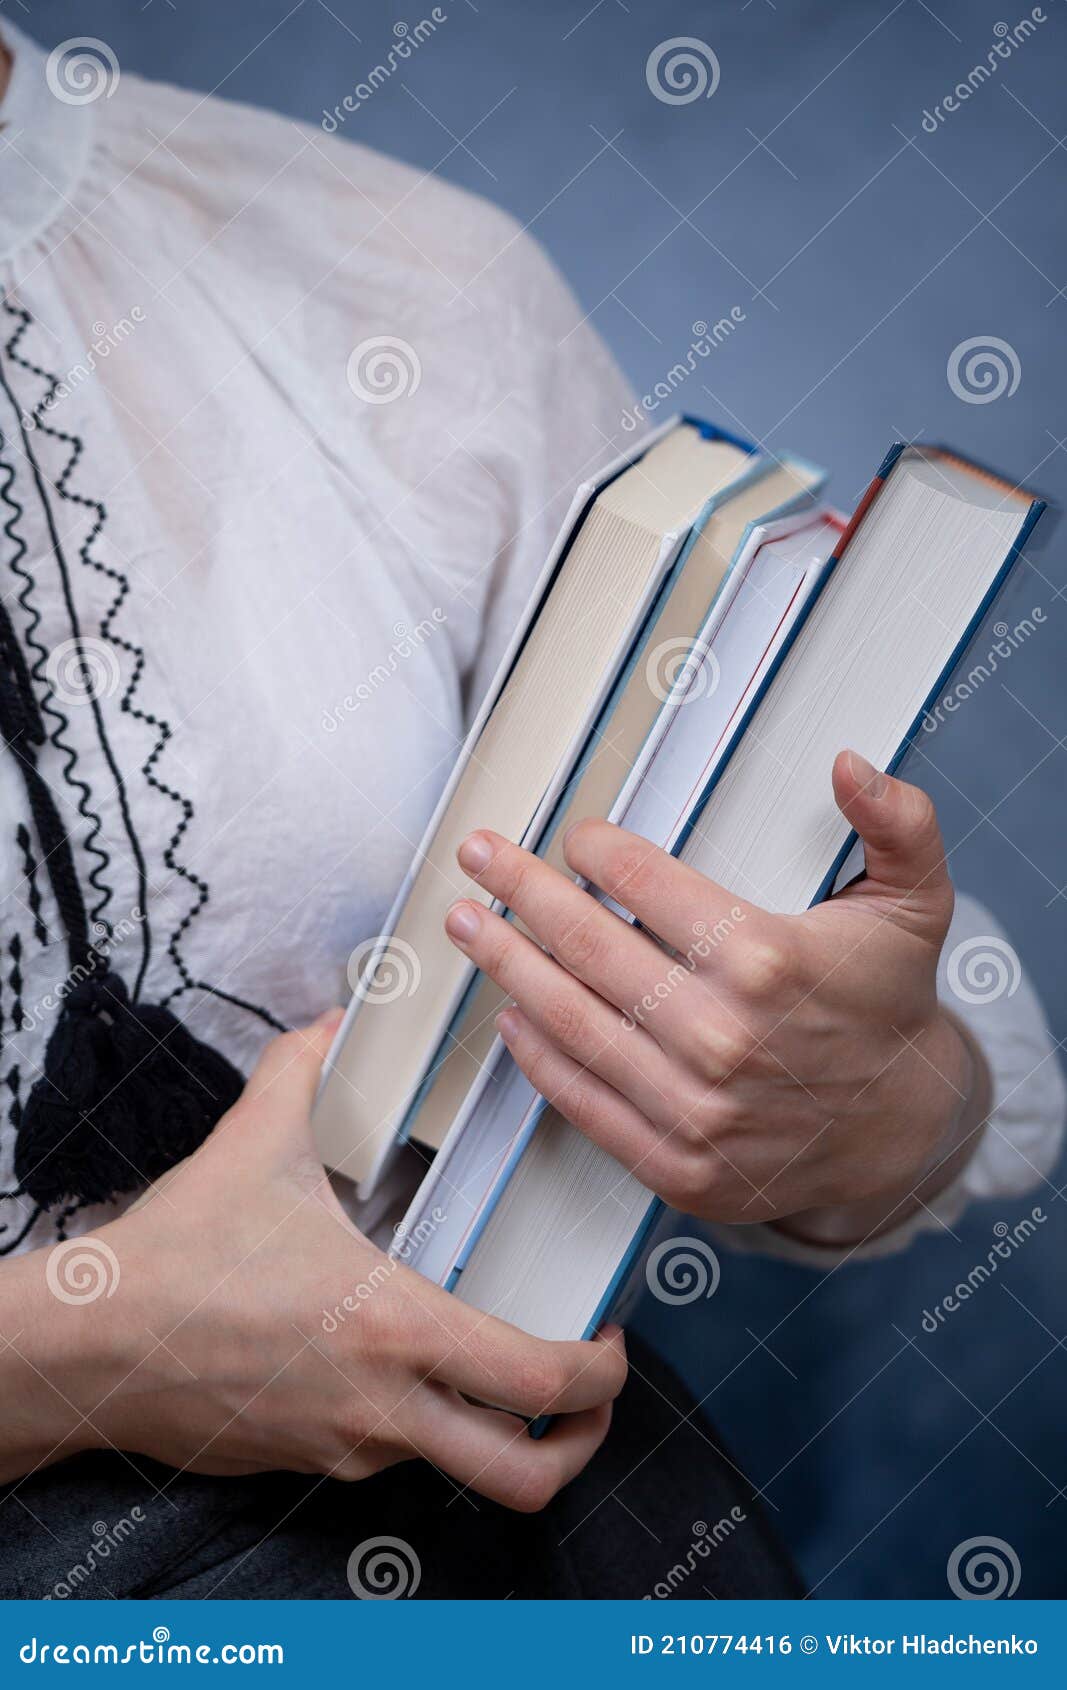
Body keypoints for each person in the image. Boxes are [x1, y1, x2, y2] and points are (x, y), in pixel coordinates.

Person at [0, 21, 1061, 1600]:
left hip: (509, 1559)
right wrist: (75, 1348)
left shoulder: (390, 273)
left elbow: (920, 1060)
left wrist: (859, 1082)